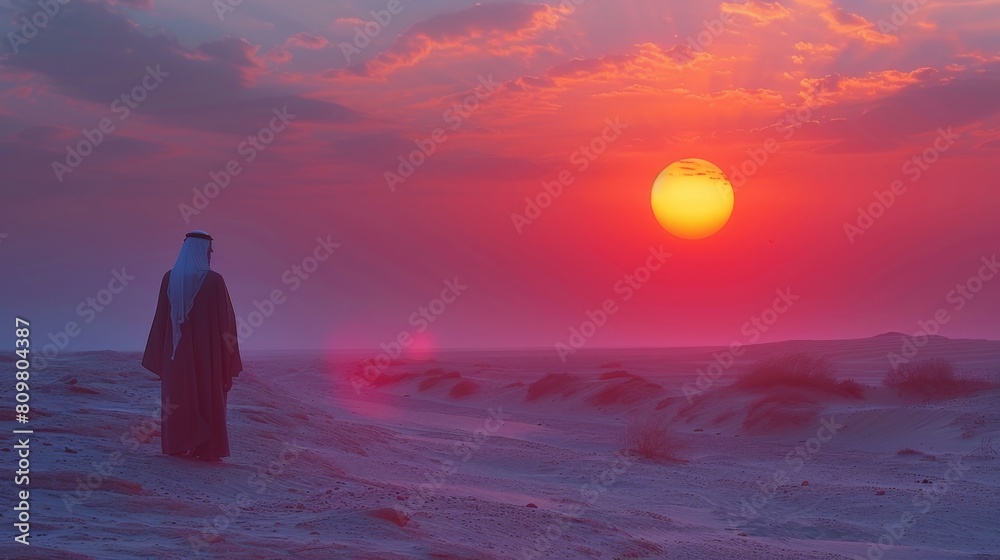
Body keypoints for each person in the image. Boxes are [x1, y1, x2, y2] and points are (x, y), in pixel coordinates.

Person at [142, 230, 243, 461]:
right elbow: (226, 323)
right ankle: (207, 450)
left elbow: (160, 322)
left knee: (178, 396)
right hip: (208, 356)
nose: (209, 256)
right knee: (207, 395)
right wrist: (228, 360)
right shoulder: (214, 281)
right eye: (209, 252)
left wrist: (161, 357)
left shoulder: (169, 278)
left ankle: (179, 445)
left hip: (175, 355)